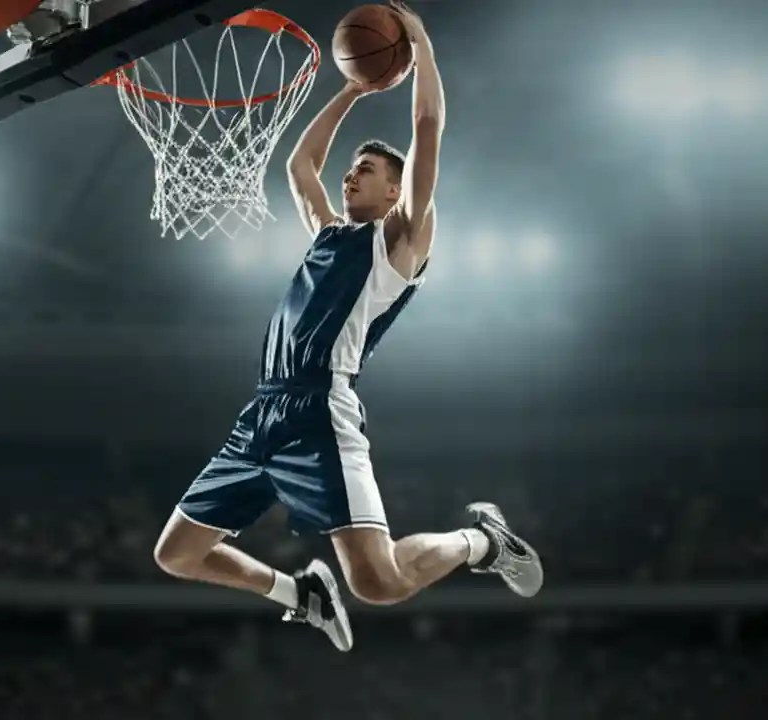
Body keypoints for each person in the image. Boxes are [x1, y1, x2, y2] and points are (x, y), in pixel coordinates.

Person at [152, 1, 543, 652]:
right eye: (353, 168)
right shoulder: (330, 234)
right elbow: (299, 167)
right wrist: (351, 90)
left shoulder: (400, 243)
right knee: (178, 553)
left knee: (379, 584)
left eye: (366, 170)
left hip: (319, 414)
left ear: (395, 192)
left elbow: (427, 125)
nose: (350, 173)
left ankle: (481, 540)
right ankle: (298, 594)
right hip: (263, 414)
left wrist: (417, 42)